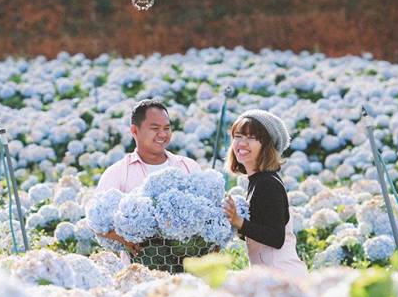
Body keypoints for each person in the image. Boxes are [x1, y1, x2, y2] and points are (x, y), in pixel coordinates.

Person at [95, 98, 200, 254]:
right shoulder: (117, 173)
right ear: (134, 130)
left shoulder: (188, 166)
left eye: (167, 128)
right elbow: (96, 221)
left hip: (190, 269)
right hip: (141, 271)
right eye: (155, 128)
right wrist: (125, 238)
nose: (163, 134)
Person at [222, 109, 308, 276]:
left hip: (283, 277)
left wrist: (238, 221)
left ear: (267, 146)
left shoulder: (267, 183)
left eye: (252, 138)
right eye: (238, 136)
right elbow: (260, 229)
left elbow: (276, 237)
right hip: (272, 276)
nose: (242, 143)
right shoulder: (257, 181)